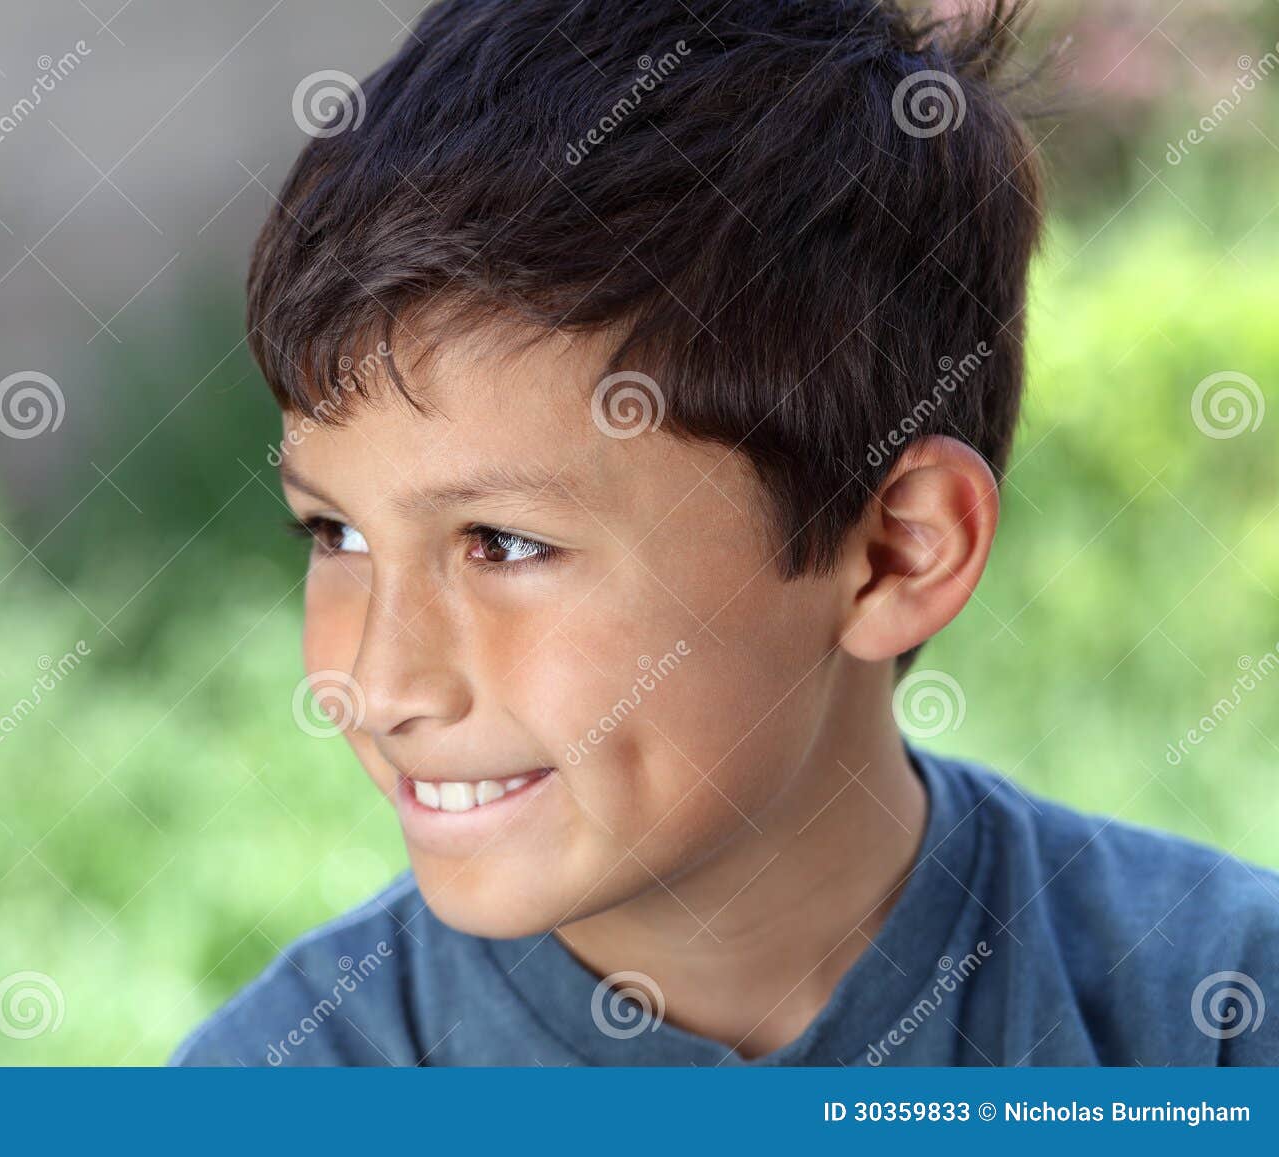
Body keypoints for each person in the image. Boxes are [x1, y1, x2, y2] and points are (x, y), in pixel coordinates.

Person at [174, 0, 1277, 1066]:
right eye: (335, 533)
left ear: (899, 550)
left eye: (504, 543)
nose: (378, 682)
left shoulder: (1216, 1024)